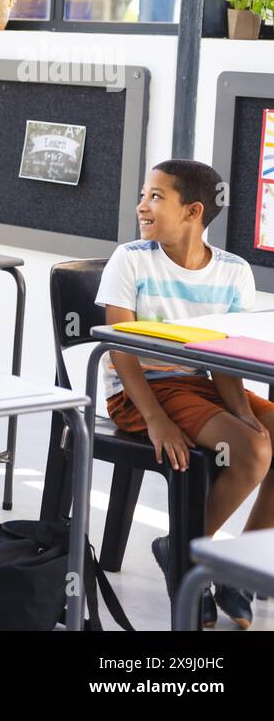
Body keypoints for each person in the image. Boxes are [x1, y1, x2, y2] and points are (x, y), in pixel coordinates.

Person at [97, 159, 274, 629]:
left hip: (203, 384)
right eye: (143, 194)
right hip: (140, 390)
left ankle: (238, 566)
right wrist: (155, 418)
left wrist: (241, 409)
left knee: (264, 432)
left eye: (156, 196)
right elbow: (119, 350)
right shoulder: (130, 258)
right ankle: (186, 554)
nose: (142, 205)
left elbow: (226, 357)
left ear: (193, 211)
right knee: (254, 451)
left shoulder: (233, 272)